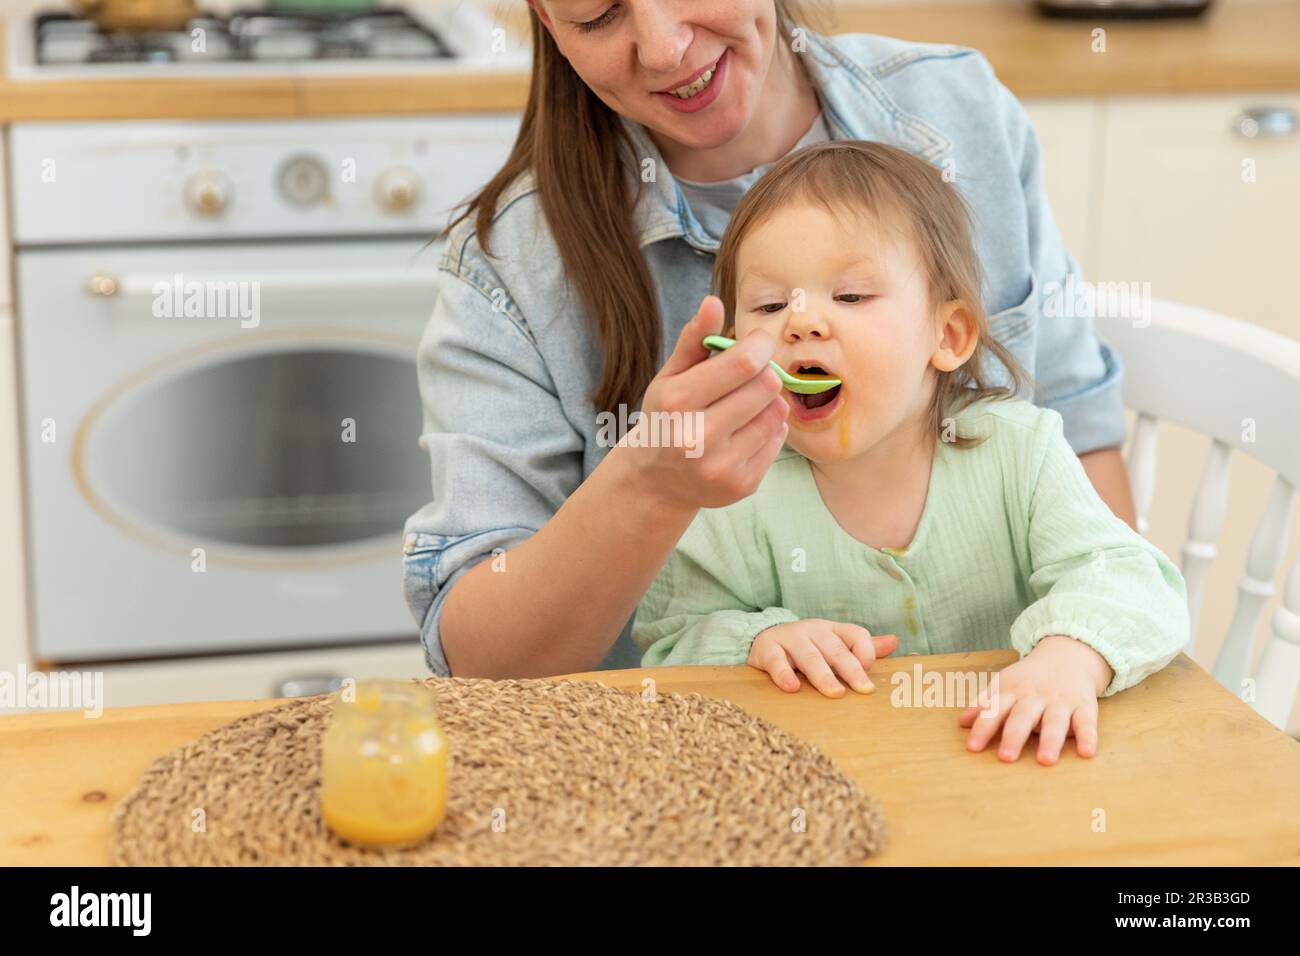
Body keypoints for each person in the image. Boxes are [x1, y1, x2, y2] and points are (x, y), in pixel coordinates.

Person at [403, 0, 1136, 681]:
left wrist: (1081, 657)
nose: (662, 49)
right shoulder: (510, 264)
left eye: (853, 297)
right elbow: (483, 669)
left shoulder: (962, 111)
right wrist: (650, 485)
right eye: (597, 15)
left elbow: (1085, 457)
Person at [631, 139, 1187, 765]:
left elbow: (1134, 580)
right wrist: (759, 639)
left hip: (1015, 769)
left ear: (946, 336)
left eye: (850, 297)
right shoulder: (733, 486)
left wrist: (1071, 656)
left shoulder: (1019, 452)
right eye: (768, 305)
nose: (801, 323)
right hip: (830, 786)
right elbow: (671, 641)